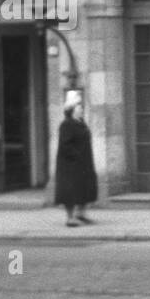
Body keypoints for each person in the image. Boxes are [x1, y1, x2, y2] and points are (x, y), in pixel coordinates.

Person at [54, 92, 98, 227]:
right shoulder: (67, 125)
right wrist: (77, 155)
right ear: (72, 109)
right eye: (79, 107)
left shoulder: (81, 123)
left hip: (83, 163)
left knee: (84, 188)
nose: (81, 109)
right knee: (71, 191)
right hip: (70, 165)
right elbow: (65, 145)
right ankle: (70, 217)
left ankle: (81, 213)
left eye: (81, 106)